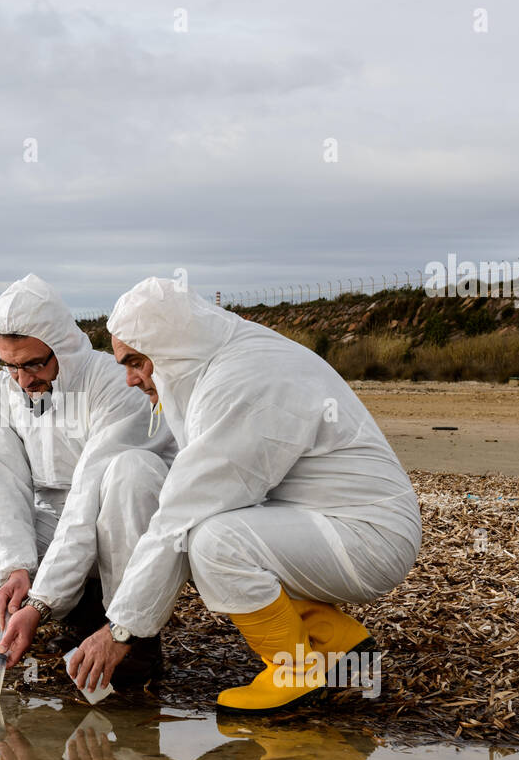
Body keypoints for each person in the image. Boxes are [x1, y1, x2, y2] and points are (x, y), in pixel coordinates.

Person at [68, 277, 422, 713]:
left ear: (170, 348)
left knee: (212, 540)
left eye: (137, 362)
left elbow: (181, 514)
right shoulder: (229, 358)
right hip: (344, 524)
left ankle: (293, 672)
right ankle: (335, 641)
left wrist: (121, 630)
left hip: (367, 540)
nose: (129, 379)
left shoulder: (241, 383)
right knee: (211, 527)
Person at [0, 274, 176, 682]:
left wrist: (41, 603)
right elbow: (1, 487)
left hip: (124, 521)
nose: (24, 380)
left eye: (34, 364)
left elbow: (86, 500)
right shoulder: (3, 392)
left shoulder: (114, 384)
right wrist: (16, 571)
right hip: (56, 525)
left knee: (132, 471)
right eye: (10, 366)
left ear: (64, 348)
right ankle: (84, 620)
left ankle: (131, 634)